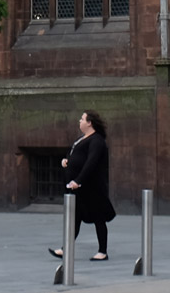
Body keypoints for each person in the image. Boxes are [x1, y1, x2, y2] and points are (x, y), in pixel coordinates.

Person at [49, 112, 114, 262]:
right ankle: (65, 249)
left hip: (92, 187)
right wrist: (66, 160)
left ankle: (102, 251)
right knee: (76, 218)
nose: (79, 121)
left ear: (89, 123)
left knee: (99, 218)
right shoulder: (81, 139)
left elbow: (91, 163)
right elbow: (74, 154)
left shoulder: (97, 141)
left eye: (82, 119)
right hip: (80, 189)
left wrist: (79, 180)